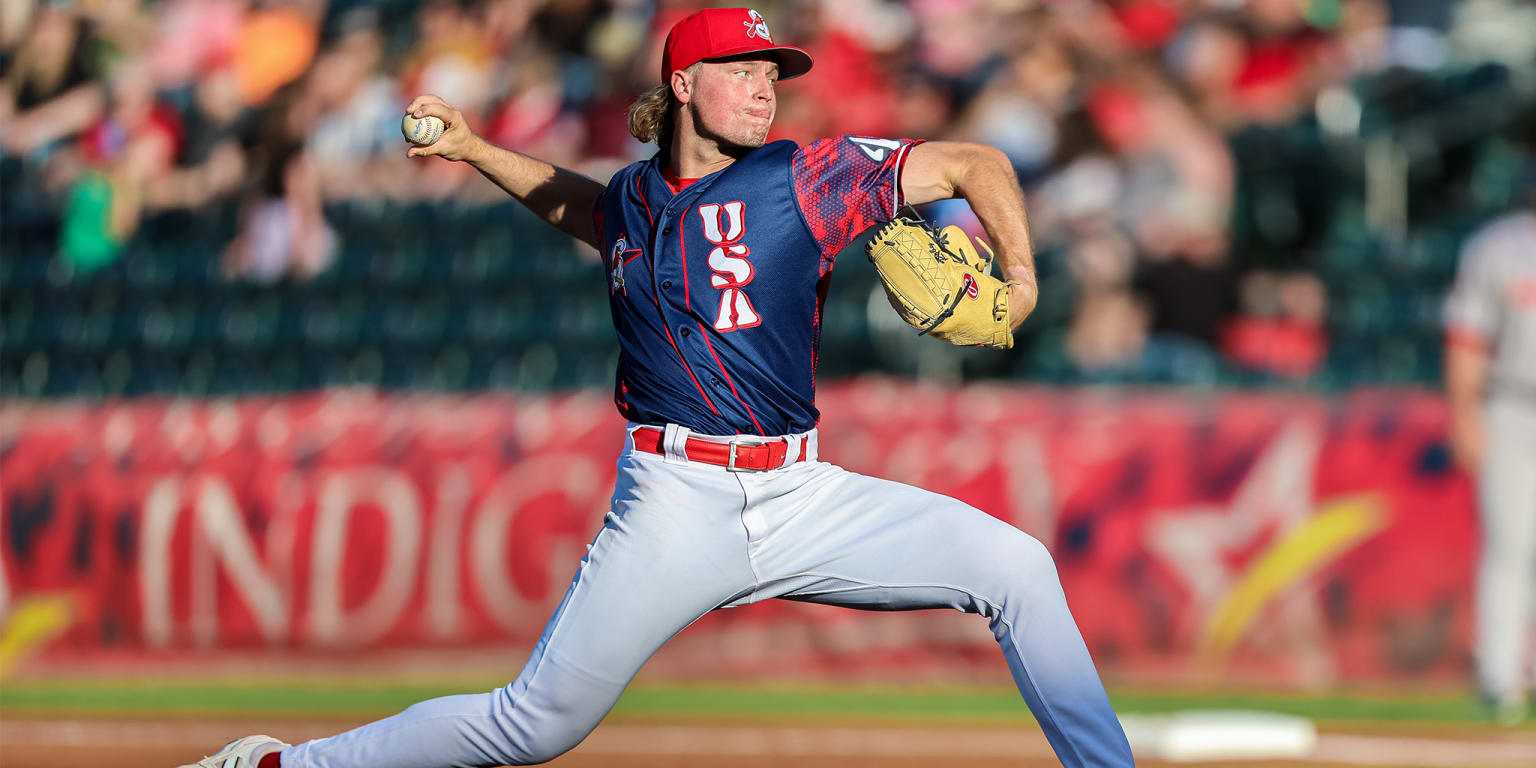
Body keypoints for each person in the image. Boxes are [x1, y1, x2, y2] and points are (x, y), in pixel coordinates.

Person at [179, 8, 1135, 767]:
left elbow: (979, 163)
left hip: (804, 492)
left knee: (1017, 569)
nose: (765, 92)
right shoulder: (637, 196)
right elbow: (582, 204)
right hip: (674, 501)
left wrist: (1021, 276)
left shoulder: (810, 177)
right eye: (743, 74)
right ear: (685, 84)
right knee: (533, 727)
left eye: (774, 76)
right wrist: (474, 151)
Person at [1443, 187, 1536, 727]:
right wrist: (1464, 412)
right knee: (1509, 545)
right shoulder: (1499, 248)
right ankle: (1501, 680)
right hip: (1514, 404)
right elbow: (1467, 336)